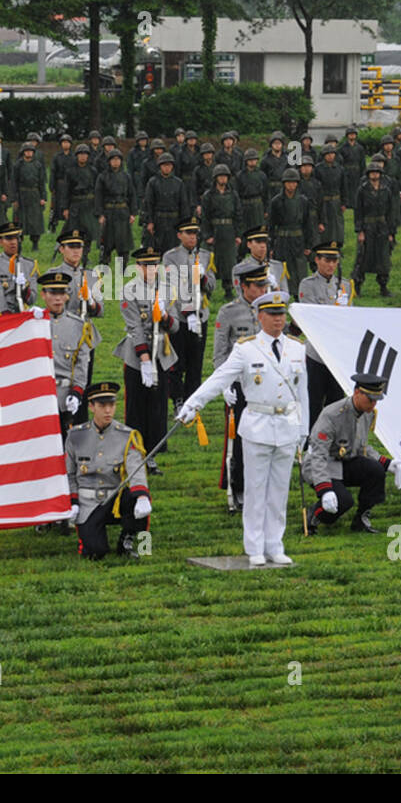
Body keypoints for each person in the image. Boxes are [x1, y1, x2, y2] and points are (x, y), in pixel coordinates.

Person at [178, 290, 308, 567]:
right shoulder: (246, 348)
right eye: (272, 315)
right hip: (258, 425)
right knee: (256, 489)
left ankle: (275, 544)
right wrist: (193, 403)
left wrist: (303, 430)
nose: (278, 320)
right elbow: (219, 377)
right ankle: (255, 546)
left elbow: (302, 393)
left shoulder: (297, 348)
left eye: (281, 314)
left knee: (279, 490)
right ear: (260, 316)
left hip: (286, 424)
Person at [64, 383, 154, 560]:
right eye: (102, 406)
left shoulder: (127, 436)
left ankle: (134, 543)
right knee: (96, 552)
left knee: (139, 499)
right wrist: (73, 501)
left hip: (114, 499)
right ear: (91, 407)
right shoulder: (76, 436)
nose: (108, 411)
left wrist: (142, 495)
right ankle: (90, 538)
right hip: (88, 503)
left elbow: (136, 469)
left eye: (111, 405)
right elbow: (70, 474)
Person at [303, 371, 399, 535]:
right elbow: (318, 455)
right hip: (322, 464)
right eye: (370, 399)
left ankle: (361, 519)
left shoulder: (367, 414)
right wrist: (325, 489)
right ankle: (314, 515)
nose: (373, 405)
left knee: (376, 471)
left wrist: (386, 463)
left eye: (376, 400)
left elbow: (362, 447)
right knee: (343, 501)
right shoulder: (332, 415)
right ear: (356, 393)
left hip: (346, 461)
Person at [113, 246, 179, 474]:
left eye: (154, 265)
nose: (150, 269)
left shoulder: (168, 288)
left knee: (158, 407)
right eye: (146, 265)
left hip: (161, 354)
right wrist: (143, 359)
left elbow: (176, 326)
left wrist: (167, 315)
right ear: (138, 267)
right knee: (136, 407)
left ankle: (151, 455)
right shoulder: (129, 290)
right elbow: (134, 326)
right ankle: (133, 454)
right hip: (137, 356)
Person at [213, 260, 266, 514]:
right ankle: (237, 486)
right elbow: (219, 353)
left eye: (264, 284)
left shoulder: (269, 309)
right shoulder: (228, 312)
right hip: (238, 385)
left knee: (262, 438)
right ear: (245, 287)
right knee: (238, 440)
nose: (263, 289)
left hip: (263, 385)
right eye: (258, 285)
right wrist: (225, 384)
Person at [161, 216, 217, 410]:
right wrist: (188, 311)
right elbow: (173, 285)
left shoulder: (205, 255)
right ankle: (177, 398)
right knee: (177, 361)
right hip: (179, 315)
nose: (193, 237)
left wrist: (202, 278)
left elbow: (211, 287)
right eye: (188, 233)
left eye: (195, 233)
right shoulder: (171, 257)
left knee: (196, 361)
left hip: (201, 315)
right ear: (180, 235)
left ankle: (192, 400)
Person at [38, 271, 100, 441]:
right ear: (43, 295)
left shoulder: (79, 326)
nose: (58, 298)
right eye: (52, 293)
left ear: (67, 296)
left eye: (61, 293)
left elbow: (82, 365)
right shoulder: (34, 324)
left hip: (68, 397)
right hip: (41, 396)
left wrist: (77, 391)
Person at [297, 242, 353, 426]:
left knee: (337, 402)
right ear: (317, 260)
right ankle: (310, 443)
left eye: (334, 261)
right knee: (313, 401)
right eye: (327, 260)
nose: (331, 265)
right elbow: (313, 317)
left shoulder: (345, 285)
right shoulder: (308, 285)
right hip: (316, 353)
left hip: (337, 354)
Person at [352, 158, 399, 298]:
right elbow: (358, 211)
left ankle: (383, 287)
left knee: (383, 257)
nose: (374, 175)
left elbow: (390, 211)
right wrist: (360, 231)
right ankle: (358, 286)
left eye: (376, 172)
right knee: (363, 257)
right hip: (367, 227)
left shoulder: (386, 190)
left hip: (382, 227)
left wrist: (391, 232)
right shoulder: (362, 190)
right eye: (372, 172)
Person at [201, 163, 243, 300]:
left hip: (229, 231)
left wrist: (237, 234)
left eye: (225, 176)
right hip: (215, 230)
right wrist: (207, 235)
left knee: (229, 261)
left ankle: (228, 289)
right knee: (212, 262)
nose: (223, 179)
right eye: (220, 176)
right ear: (215, 178)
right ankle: (208, 289)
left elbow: (238, 215)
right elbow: (205, 217)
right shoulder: (208, 195)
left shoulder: (233, 195)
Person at [268, 168, 312, 297]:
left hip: (298, 241)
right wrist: (270, 246)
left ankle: (300, 296)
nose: (291, 185)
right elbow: (271, 225)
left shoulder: (303, 201)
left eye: (294, 182)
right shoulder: (276, 202)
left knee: (300, 270)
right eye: (288, 182)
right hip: (282, 242)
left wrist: (309, 245)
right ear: (284, 183)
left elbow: (308, 224)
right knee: (282, 270)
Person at [95, 146, 137, 267]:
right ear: (109, 161)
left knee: (123, 242)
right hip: (108, 212)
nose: (115, 162)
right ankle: (104, 266)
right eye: (113, 159)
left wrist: (133, 213)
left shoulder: (126, 176)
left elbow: (132, 195)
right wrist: (100, 214)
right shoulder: (102, 177)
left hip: (123, 212)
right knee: (107, 241)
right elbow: (98, 196)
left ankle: (122, 267)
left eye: (118, 159)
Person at [0, 221, 37, 313]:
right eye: (8, 239)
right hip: (2, 314)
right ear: (0, 242)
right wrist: (7, 315)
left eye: (16, 238)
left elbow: (32, 299)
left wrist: (25, 289)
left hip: (23, 313)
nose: (13, 242)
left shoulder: (30, 264)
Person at [141, 148, 187, 253]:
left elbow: (183, 205)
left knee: (174, 252)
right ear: (160, 166)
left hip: (174, 222)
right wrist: (149, 222)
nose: (167, 168)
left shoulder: (179, 183)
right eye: (164, 165)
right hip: (158, 221)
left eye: (169, 165)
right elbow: (149, 203)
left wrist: (184, 225)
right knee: (156, 253)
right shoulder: (152, 182)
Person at [9, 141, 47, 251]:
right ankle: (18, 243)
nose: (29, 153)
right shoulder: (17, 165)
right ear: (23, 152)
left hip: (34, 195)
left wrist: (43, 197)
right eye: (27, 151)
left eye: (31, 151)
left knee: (35, 221)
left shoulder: (38, 165)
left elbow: (41, 182)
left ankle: (35, 243)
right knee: (20, 220)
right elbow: (13, 183)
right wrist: (14, 198)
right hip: (21, 195)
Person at [242, 228, 285, 293]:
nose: (263, 246)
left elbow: (285, 295)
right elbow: (242, 295)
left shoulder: (277, 265)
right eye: (258, 242)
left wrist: (276, 288)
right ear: (249, 244)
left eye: (265, 242)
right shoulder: (241, 268)